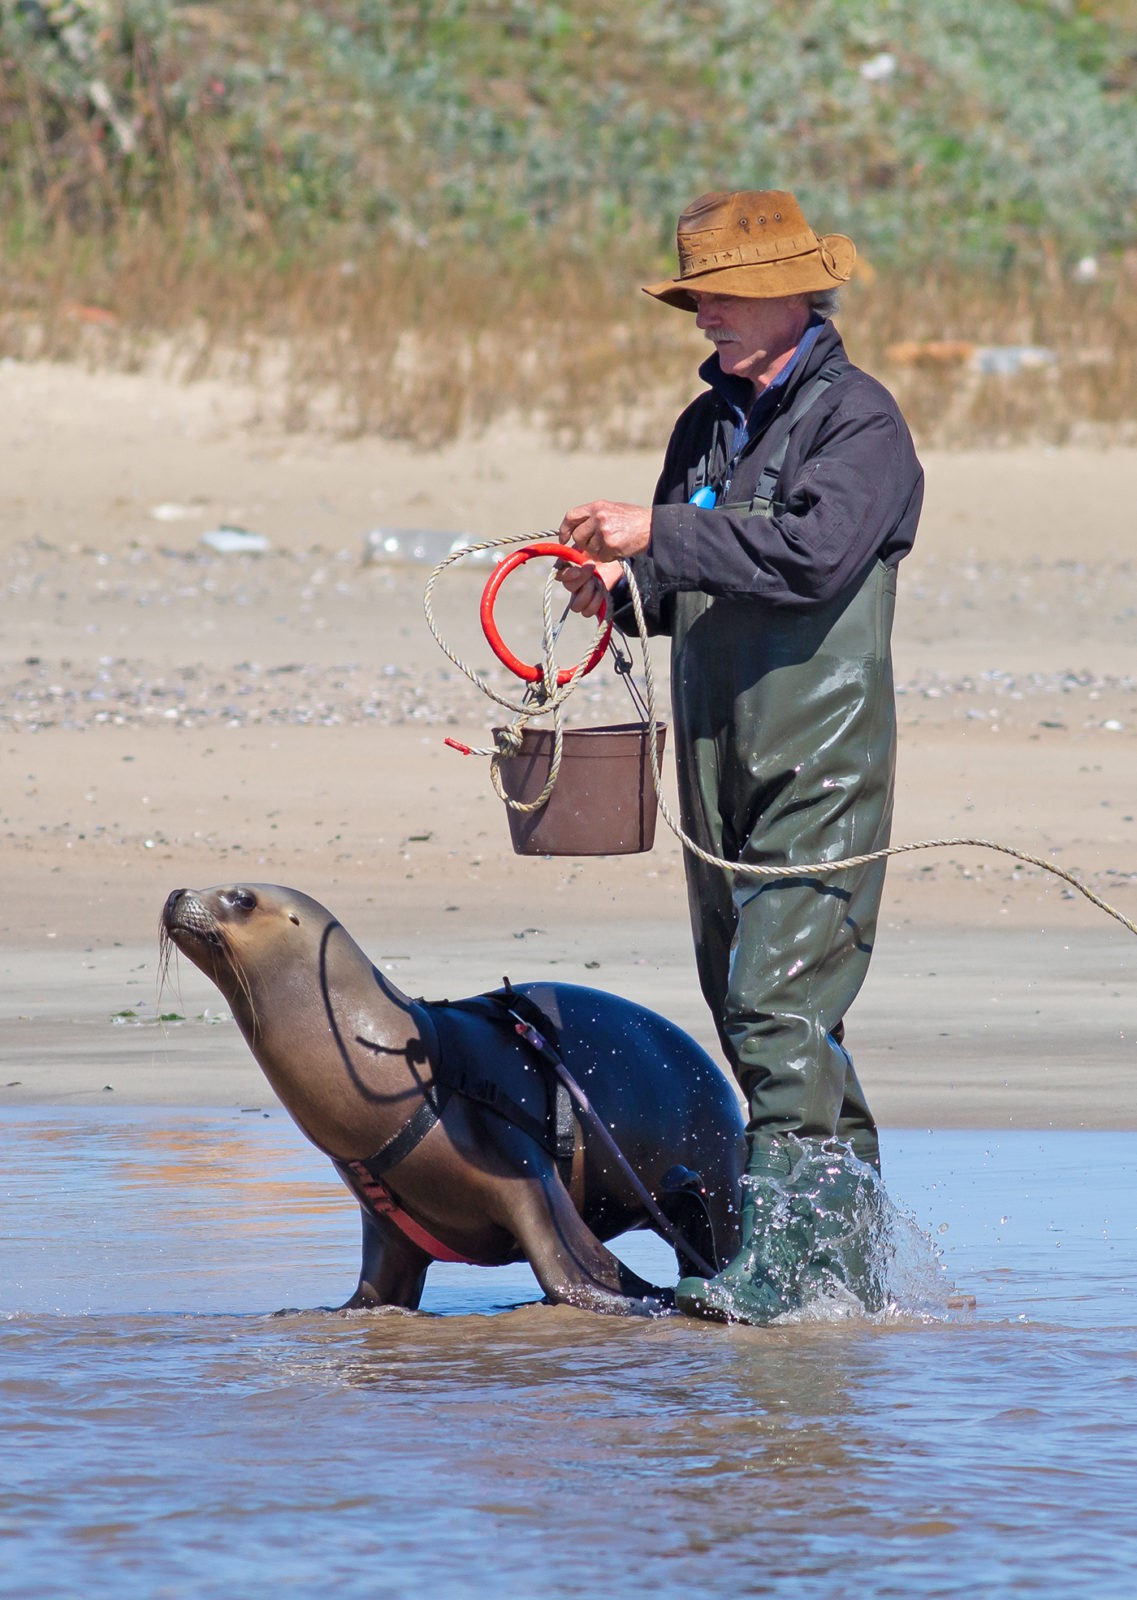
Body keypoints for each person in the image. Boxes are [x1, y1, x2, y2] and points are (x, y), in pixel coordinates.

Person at [556, 189, 923, 1324]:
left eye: (716, 293)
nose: (701, 312)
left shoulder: (861, 421)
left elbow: (814, 558)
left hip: (821, 764)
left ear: (786, 292)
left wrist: (655, 533)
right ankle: (847, 1282)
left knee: (775, 1012)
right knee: (764, 1015)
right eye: (696, 293)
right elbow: (683, 582)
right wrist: (617, 592)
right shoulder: (702, 427)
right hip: (714, 769)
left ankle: (780, 1273)